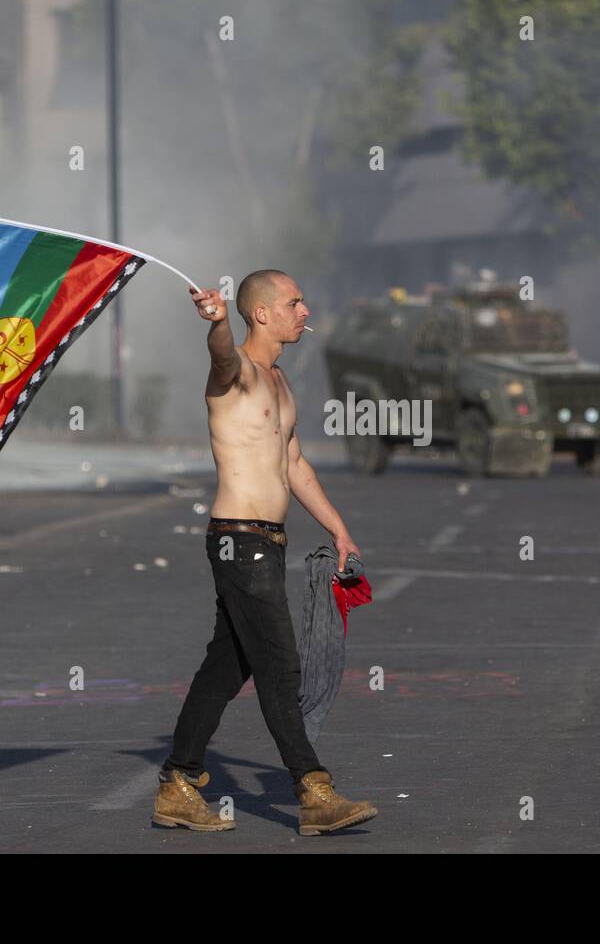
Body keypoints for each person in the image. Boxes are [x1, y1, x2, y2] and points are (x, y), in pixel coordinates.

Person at [153, 269, 378, 837]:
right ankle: (313, 790)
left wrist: (338, 529)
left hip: (267, 544)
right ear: (261, 314)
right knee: (280, 664)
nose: (305, 312)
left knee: (227, 665)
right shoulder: (236, 376)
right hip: (239, 540)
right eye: (295, 303)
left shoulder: (279, 382)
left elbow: (293, 464)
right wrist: (216, 321)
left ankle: (179, 783)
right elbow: (222, 356)